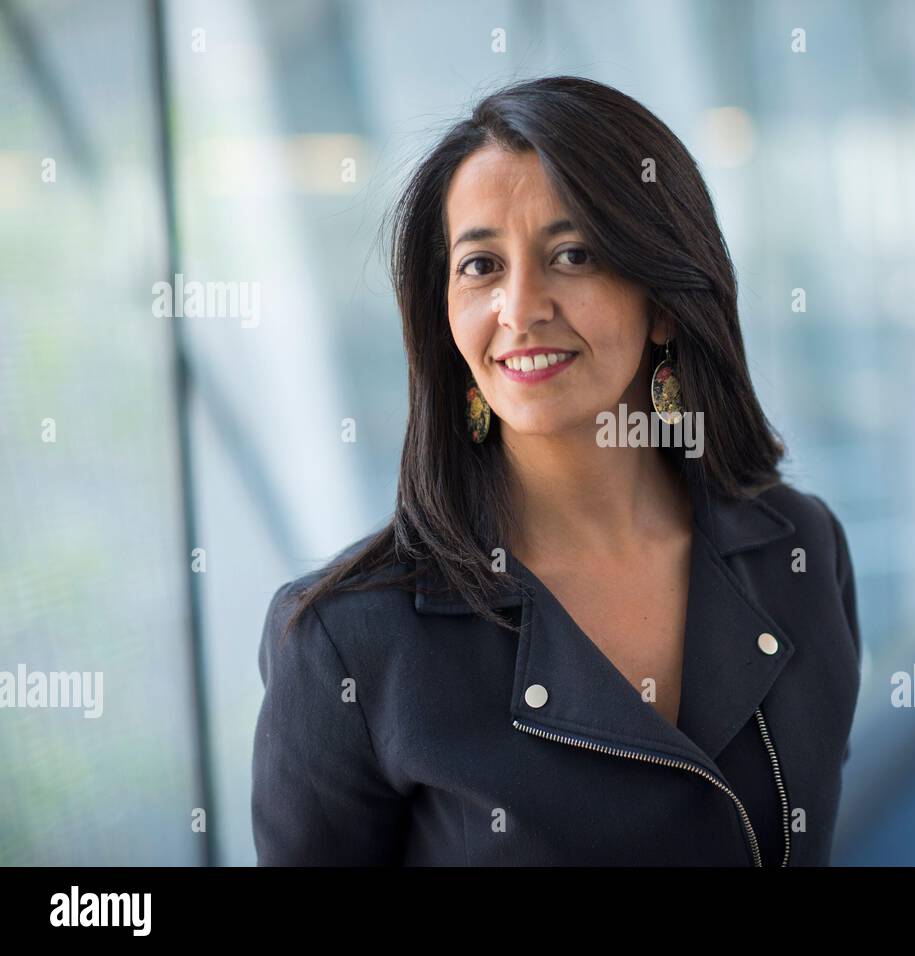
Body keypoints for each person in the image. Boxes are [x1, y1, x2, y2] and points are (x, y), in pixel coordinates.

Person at [251, 75, 861, 866]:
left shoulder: (798, 548)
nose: (521, 306)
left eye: (572, 254)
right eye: (480, 266)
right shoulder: (346, 642)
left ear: (665, 296)